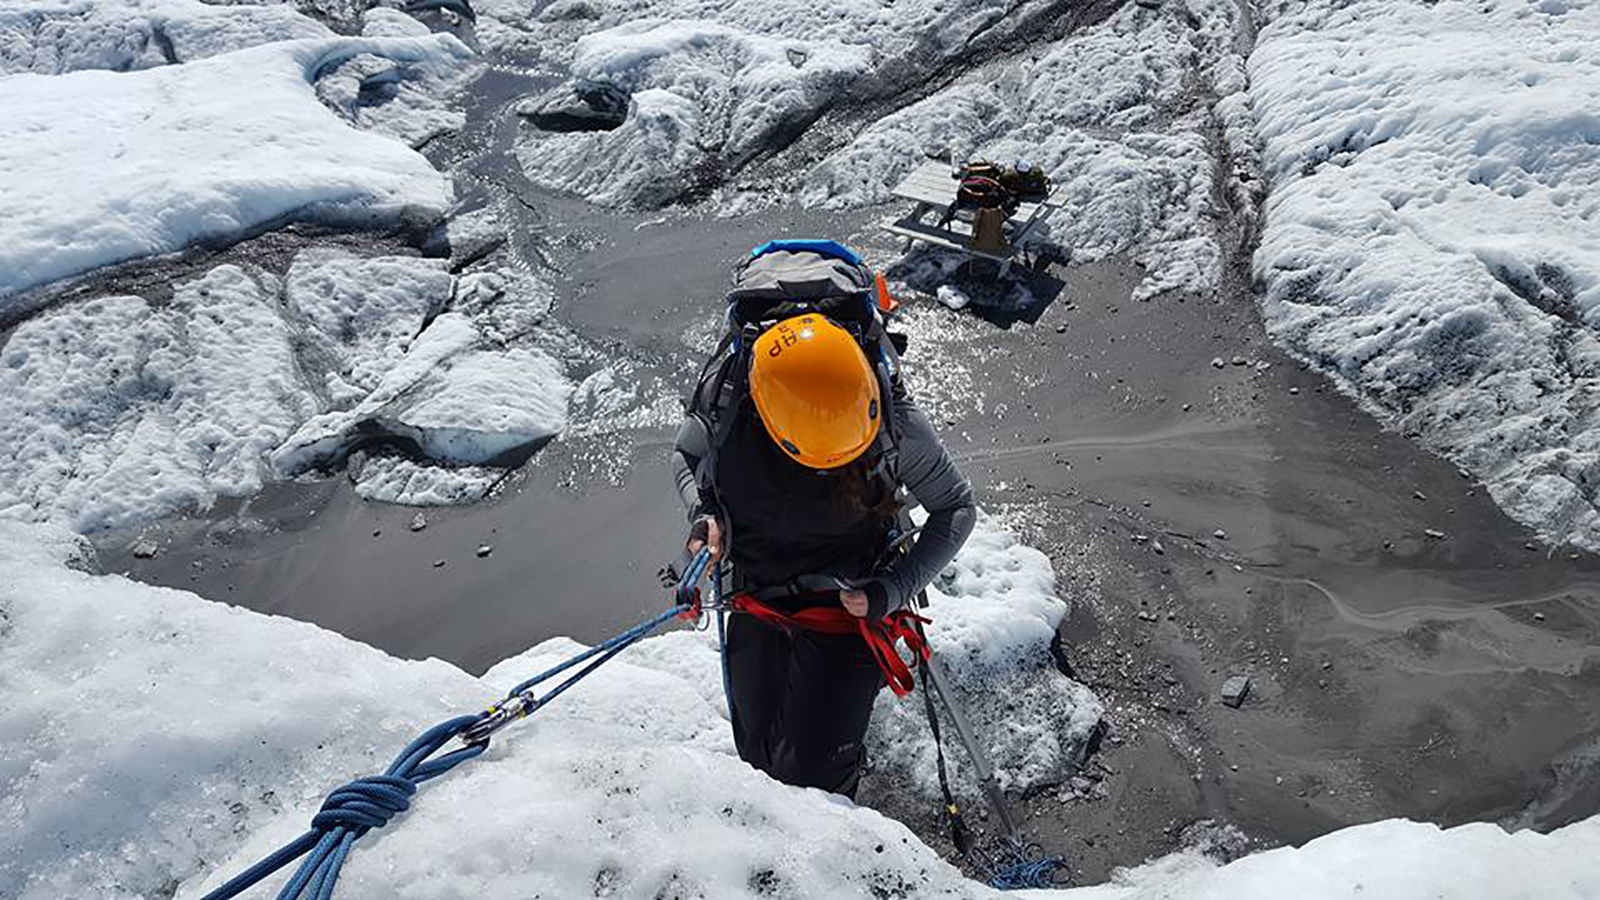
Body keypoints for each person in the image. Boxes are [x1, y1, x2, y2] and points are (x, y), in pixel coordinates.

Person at [671, 242, 976, 798]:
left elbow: (955, 507)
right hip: (756, 593)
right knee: (756, 754)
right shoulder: (735, 393)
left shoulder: (891, 412)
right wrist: (705, 514)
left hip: (850, 607)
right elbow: (690, 457)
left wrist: (892, 590)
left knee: (813, 780)